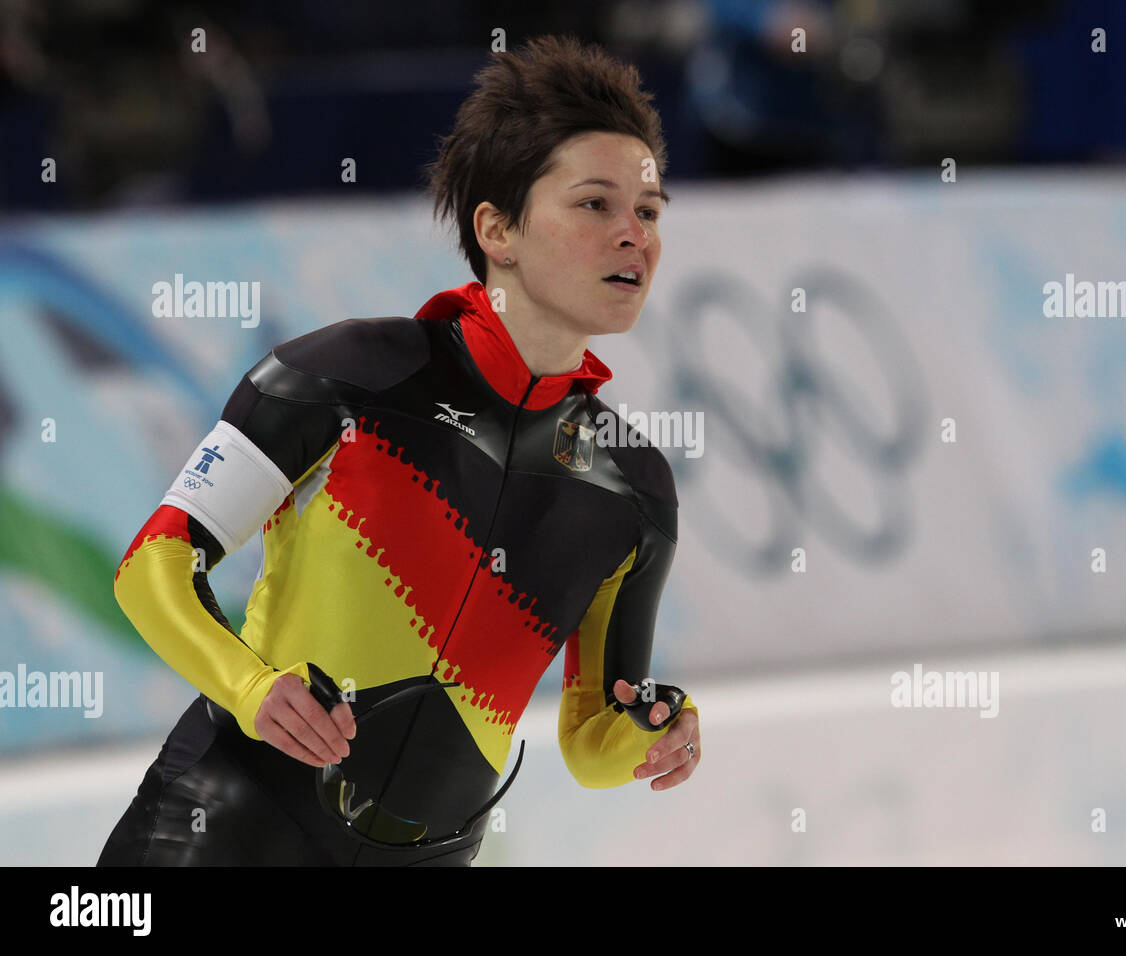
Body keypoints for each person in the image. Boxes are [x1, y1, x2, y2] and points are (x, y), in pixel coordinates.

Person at [98, 34, 701, 867]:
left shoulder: (631, 486)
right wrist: (249, 686)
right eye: (595, 204)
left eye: (649, 210)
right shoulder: (351, 376)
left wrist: (652, 736)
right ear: (498, 229)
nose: (634, 234)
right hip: (231, 823)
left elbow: (591, 737)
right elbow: (152, 565)